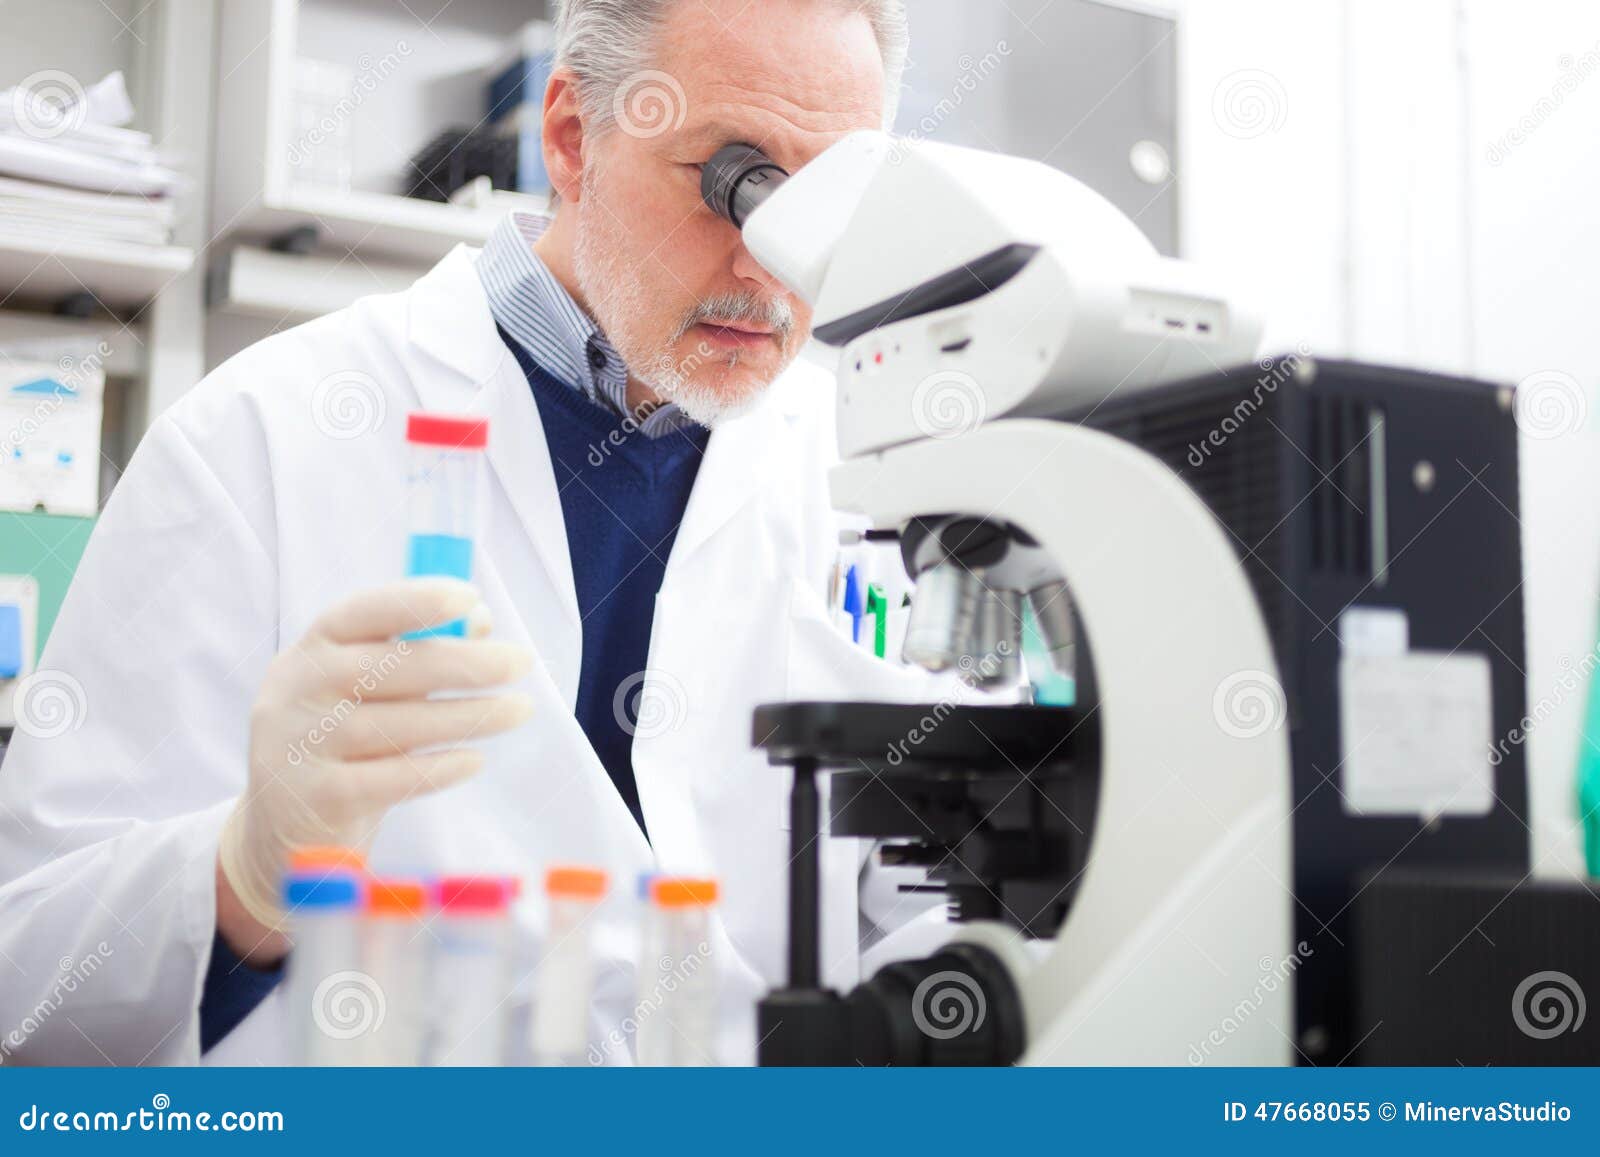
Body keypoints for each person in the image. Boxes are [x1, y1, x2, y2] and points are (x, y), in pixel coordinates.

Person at [0, 0, 950, 1065]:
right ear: (571, 137)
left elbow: (940, 890)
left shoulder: (877, 469)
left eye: (822, 204)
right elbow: (29, 984)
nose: (771, 269)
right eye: (736, 180)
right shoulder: (258, 434)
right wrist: (239, 873)